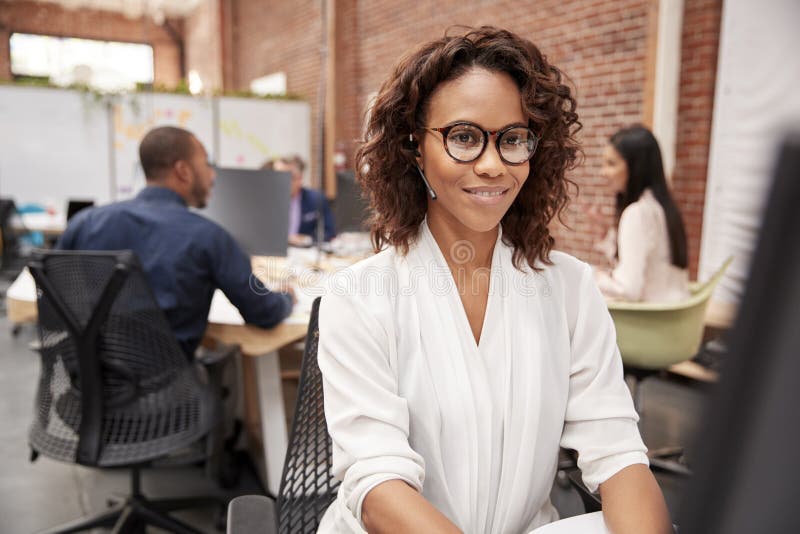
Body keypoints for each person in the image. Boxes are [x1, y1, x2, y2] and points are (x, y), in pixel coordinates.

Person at [317, 26, 672, 534]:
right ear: (415, 146)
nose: (491, 165)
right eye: (463, 137)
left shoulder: (569, 290)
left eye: (512, 140)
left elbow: (617, 455)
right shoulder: (358, 298)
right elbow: (378, 487)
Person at [58, 126, 294, 357]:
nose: (213, 175)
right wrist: (286, 297)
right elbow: (264, 312)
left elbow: (54, 299)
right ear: (183, 170)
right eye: (206, 164)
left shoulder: (84, 223)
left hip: (85, 384)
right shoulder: (208, 237)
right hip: (164, 389)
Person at [593, 125, 690, 302]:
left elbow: (628, 290)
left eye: (611, 164)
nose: (603, 172)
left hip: (648, 323)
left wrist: (591, 276)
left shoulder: (636, 214)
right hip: (672, 319)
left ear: (636, 167)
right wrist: (605, 232)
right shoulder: (663, 208)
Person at [268, 154, 336, 245]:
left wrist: (306, 239)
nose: (283, 181)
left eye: (290, 177)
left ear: (300, 178)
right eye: (279, 176)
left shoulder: (316, 199)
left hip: (303, 251)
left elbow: (329, 232)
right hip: (273, 252)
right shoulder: (267, 200)